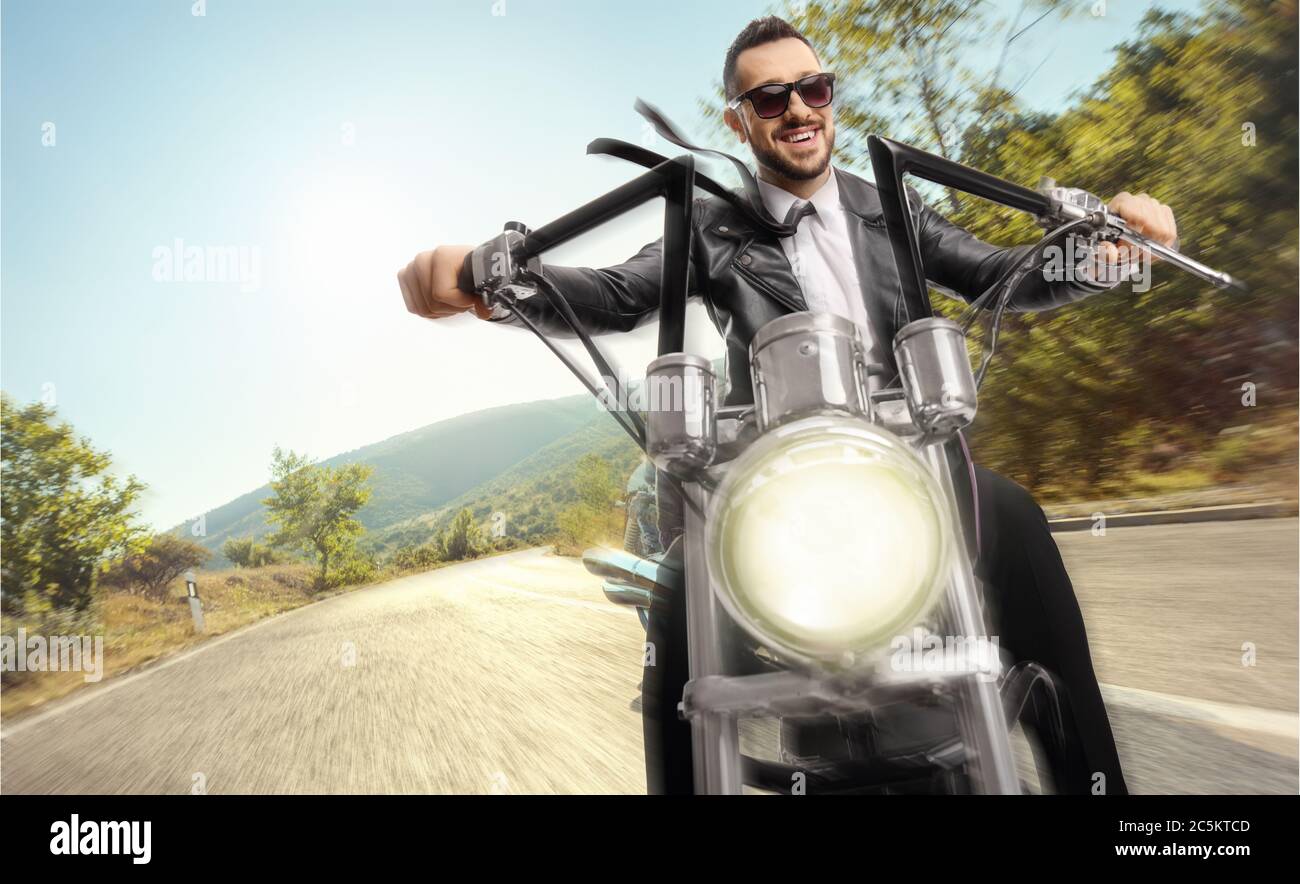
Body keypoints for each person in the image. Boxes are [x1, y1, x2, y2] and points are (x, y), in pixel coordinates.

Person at [397, 16, 1179, 794]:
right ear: (740, 121)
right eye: (770, 100)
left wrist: (1106, 254)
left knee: (1019, 525)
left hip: (913, 472)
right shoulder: (708, 227)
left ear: (830, 97)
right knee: (679, 598)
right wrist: (487, 280)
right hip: (775, 494)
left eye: (813, 88)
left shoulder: (891, 209)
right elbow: (615, 294)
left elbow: (999, 273)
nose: (799, 109)